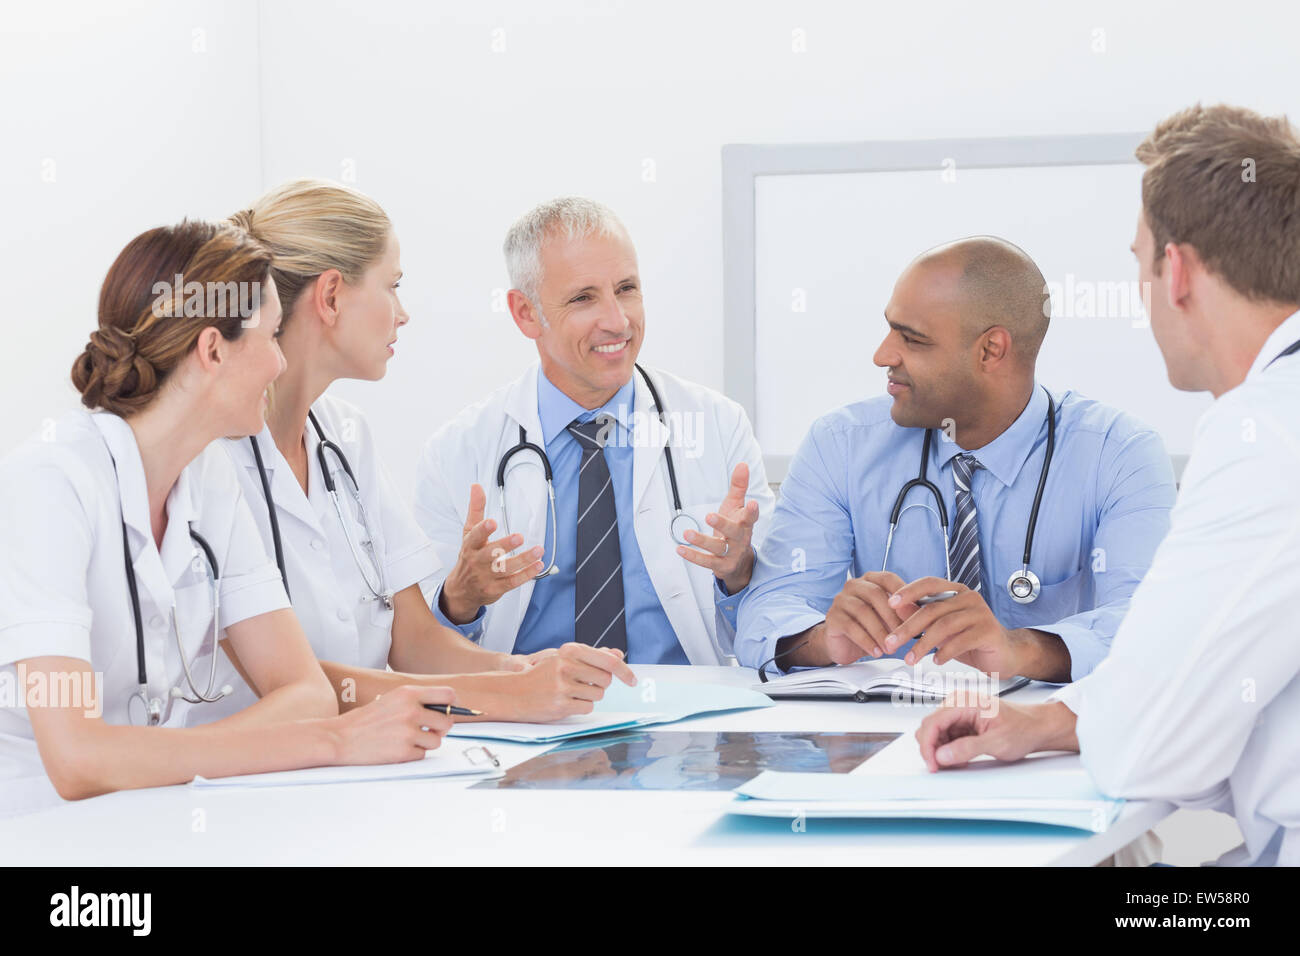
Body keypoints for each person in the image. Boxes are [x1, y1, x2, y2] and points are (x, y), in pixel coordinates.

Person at [915, 104, 1300, 867]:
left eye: (1141, 261)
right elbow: (1180, 675)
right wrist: (1057, 718)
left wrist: (1099, 721)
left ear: (1178, 271)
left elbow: (1148, 752)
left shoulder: (1267, 435)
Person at [0, 220, 456, 816]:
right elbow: (77, 759)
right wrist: (334, 742)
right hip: (40, 830)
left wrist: (155, 756)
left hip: (161, 812)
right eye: (270, 338)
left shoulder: (209, 478)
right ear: (212, 349)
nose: (278, 363)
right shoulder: (51, 482)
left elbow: (306, 693)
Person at [205, 180, 635, 724]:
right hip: (255, 777)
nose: (403, 313)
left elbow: (413, 640)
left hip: (364, 759)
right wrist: (501, 697)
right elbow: (297, 680)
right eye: (393, 286)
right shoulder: (209, 457)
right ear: (332, 296)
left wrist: (516, 670)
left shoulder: (345, 437)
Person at [735, 236, 1176, 681]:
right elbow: (764, 612)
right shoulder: (841, 444)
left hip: (1046, 739)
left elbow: (1156, 626)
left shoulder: (1119, 454)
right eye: (890, 329)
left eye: (913, 339)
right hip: (880, 726)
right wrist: (823, 639)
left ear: (991, 350)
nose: (882, 355)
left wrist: (1017, 650)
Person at [414, 197, 775, 664]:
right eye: (584, 298)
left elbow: (774, 613)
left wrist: (740, 571)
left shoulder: (719, 426)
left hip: (684, 712)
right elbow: (421, 648)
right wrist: (460, 599)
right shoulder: (456, 452)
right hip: (531, 713)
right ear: (526, 313)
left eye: (626, 288)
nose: (618, 321)